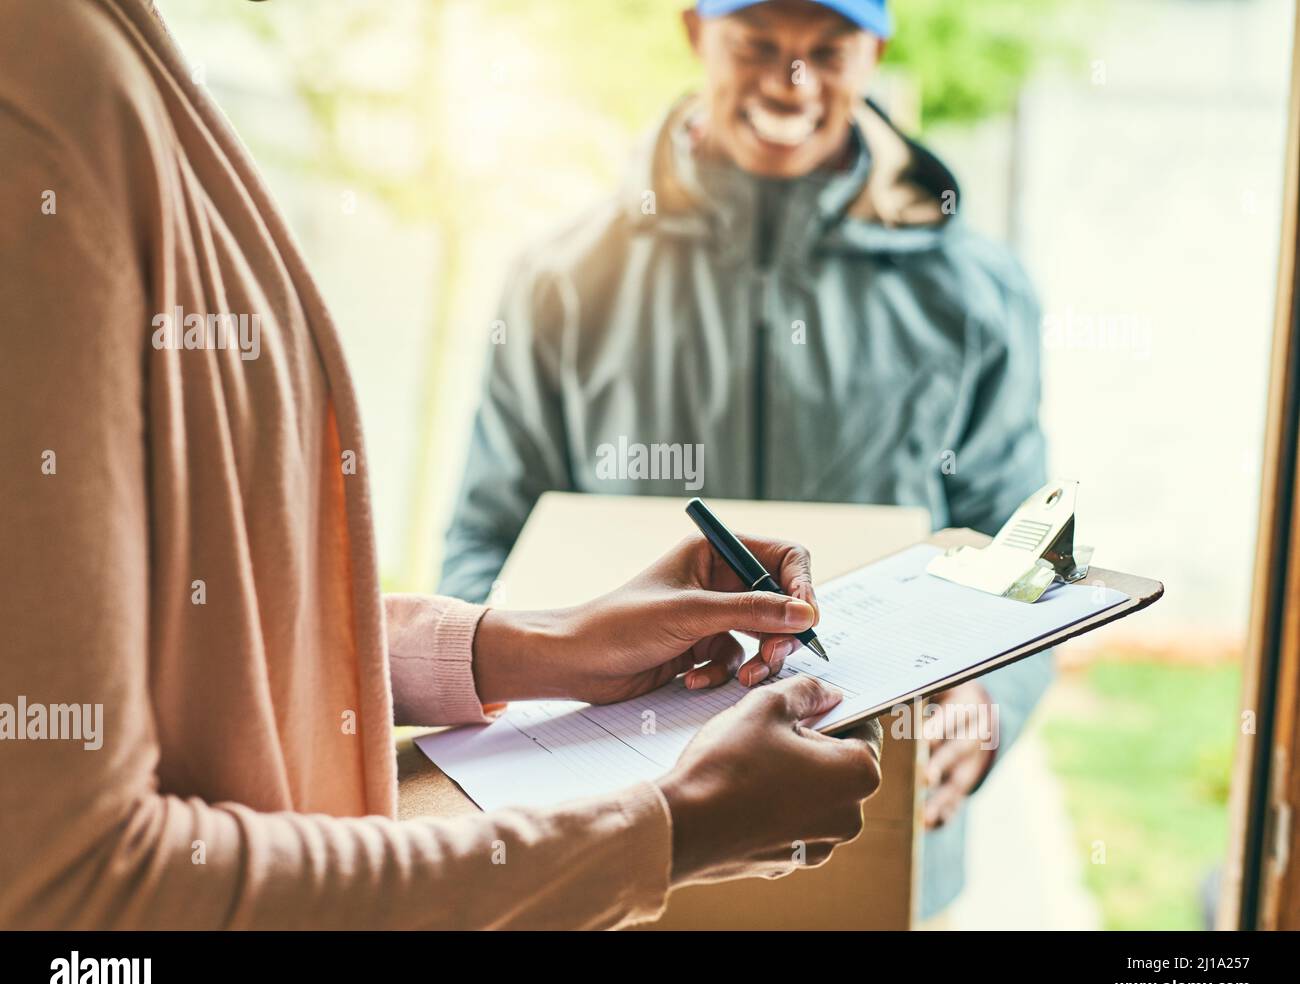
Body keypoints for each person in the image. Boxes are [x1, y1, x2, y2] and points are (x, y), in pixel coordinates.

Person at [0, 0, 882, 930]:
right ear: (698, 38)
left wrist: (547, 644)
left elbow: (182, 636)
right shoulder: (36, 102)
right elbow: (73, 896)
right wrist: (666, 832)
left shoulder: (89, 54)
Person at [438, 0, 1051, 920]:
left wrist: (991, 702)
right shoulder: (564, 278)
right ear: (695, 34)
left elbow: (1022, 544)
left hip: (876, 821)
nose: (792, 80)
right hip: (626, 819)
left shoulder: (973, 290)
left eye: (827, 49)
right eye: (758, 43)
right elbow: (486, 539)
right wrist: (514, 738)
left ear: (875, 49)